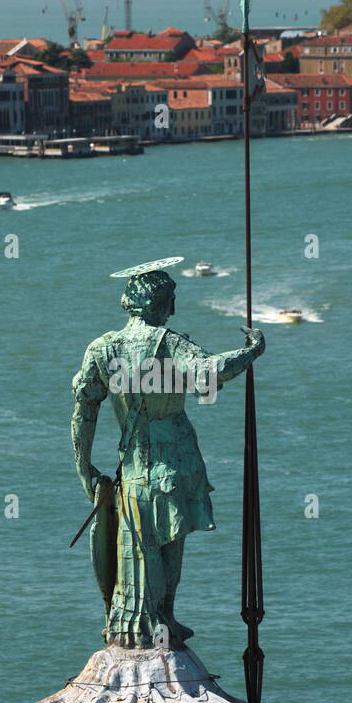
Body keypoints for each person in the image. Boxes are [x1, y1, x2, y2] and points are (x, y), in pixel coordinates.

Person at [71, 265, 265, 648]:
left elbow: (84, 411)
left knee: (138, 542)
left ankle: (139, 620)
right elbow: (212, 371)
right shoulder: (169, 344)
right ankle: (163, 616)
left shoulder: (102, 348)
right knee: (169, 541)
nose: (173, 311)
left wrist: (82, 466)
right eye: (171, 301)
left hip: (132, 465)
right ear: (158, 303)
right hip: (174, 460)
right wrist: (253, 350)